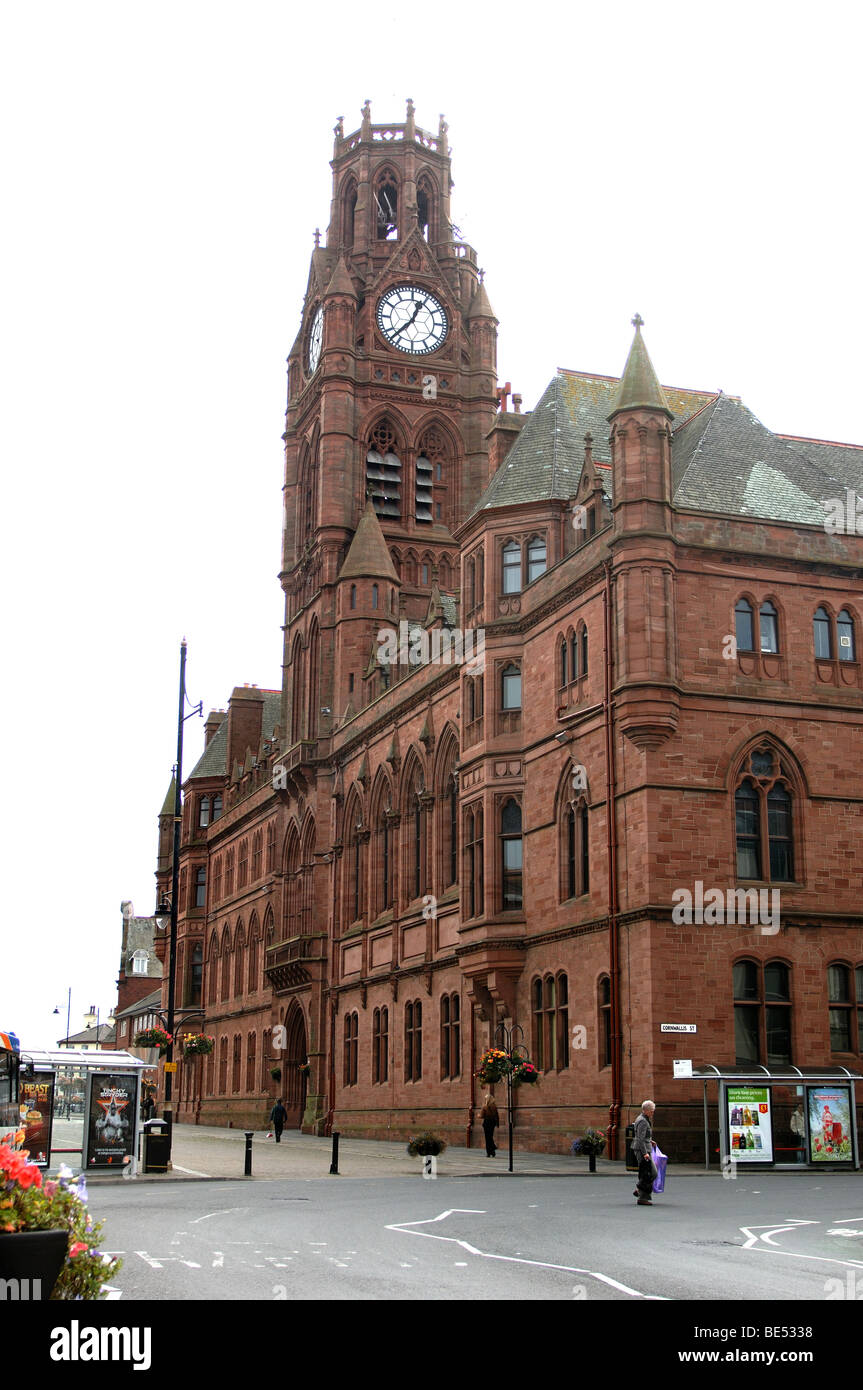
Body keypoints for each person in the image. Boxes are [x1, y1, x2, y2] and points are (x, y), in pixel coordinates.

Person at [632, 1100, 656, 1205]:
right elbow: (640, 1139)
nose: (652, 1113)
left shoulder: (643, 1119)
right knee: (650, 1173)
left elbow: (642, 1136)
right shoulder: (642, 1120)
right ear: (646, 1110)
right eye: (651, 1111)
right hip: (642, 1150)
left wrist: (650, 1141)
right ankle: (642, 1196)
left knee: (647, 1172)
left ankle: (640, 1191)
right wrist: (645, 1153)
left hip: (644, 1148)